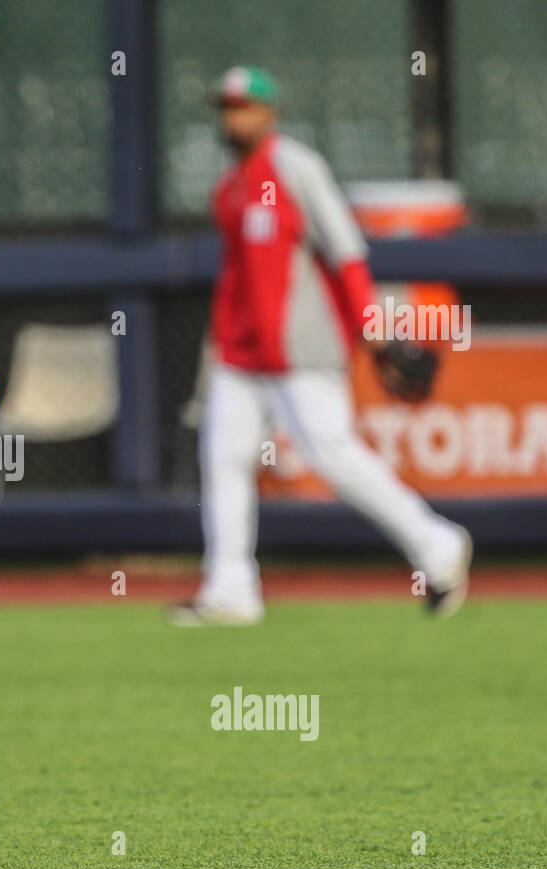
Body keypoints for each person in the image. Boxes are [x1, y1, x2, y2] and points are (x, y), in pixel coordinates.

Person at [170, 67, 471, 627]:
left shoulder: (295, 168)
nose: (233, 117)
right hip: (242, 355)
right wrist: (219, 351)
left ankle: (436, 544)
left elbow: (345, 253)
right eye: (227, 107)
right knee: (225, 458)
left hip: (302, 350)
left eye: (244, 107)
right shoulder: (230, 187)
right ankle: (231, 588)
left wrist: (375, 334)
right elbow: (238, 280)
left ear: (269, 114)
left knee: (336, 457)